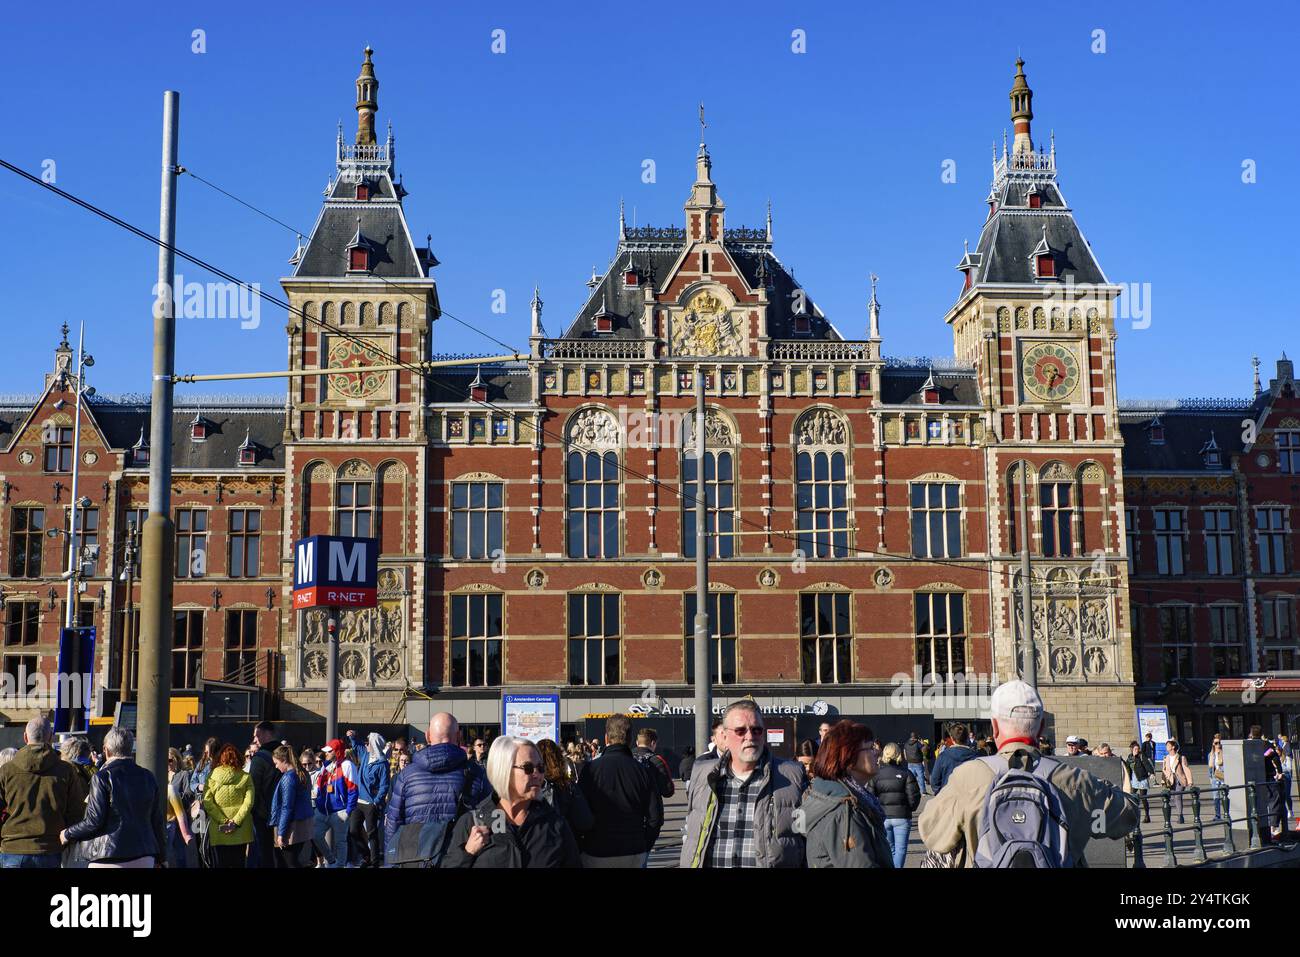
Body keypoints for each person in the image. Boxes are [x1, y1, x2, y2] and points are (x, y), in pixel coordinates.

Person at [918, 680, 1137, 867]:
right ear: (1041, 728)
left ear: (994, 728)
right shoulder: (1075, 780)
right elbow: (1127, 817)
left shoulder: (967, 777)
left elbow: (931, 832)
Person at [681, 700, 807, 868]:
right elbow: (692, 834)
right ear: (724, 737)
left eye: (756, 730)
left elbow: (809, 840)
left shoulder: (792, 776)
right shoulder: (703, 773)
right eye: (740, 731)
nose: (750, 736)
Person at [443, 736, 581, 868]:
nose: (537, 774)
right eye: (528, 768)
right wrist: (467, 853)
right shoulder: (472, 824)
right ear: (504, 771)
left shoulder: (555, 825)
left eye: (541, 768)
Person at [384, 712, 491, 867]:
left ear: (427, 736)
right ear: (458, 736)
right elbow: (487, 824)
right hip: (461, 859)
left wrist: (390, 863)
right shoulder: (477, 774)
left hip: (415, 859)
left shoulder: (406, 775)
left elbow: (393, 822)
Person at [60, 727, 164, 868]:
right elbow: (156, 820)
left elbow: (94, 820)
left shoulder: (102, 777)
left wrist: (67, 833)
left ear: (106, 750)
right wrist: (162, 857)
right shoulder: (148, 777)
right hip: (144, 853)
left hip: (108, 854)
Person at [801, 721, 892, 868]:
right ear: (848, 758)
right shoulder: (844, 813)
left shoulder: (848, 800)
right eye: (870, 747)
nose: (877, 752)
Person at [0, 716, 87, 868]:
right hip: (50, 849)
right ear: (51, 737)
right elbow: (76, 812)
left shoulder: (7, 771)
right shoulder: (66, 771)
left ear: (25, 737)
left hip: (12, 848)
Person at [577, 715, 663, 867]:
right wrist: (644, 845)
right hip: (633, 850)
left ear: (606, 738)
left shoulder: (590, 771)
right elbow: (655, 817)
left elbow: (578, 814)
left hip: (597, 850)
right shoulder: (643, 771)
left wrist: (582, 845)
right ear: (630, 740)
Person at [868, 742, 922, 868]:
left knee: (890, 849)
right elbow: (914, 796)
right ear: (898, 754)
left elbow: (869, 796)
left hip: (883, 817)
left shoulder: (876, 774)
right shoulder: (906, 773)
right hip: (902, 816)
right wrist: (909, 808)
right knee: (901, 850)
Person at [203, 743, 255, 868]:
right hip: (241, 829)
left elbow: (207, 802)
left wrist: (223, 820)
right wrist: (235, 821)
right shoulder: (246, 777)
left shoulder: (212, 777)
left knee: (220, 863)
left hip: (219, 828)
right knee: (239, 863)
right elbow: (249, 802)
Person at [346, 729, 390, 867]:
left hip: (371, 803)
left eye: (368, 742)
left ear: (373, 745)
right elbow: (357, 746)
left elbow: (384, 785)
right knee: (353, 830)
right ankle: (366, 855)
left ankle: (375, 862)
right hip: (359, 801)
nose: (366, 744)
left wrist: (376, 802)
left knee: (372, 834)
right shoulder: (365, 755)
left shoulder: (383, 764)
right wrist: (353, 737)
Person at [314, 738, 358, 867]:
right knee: (315, 835)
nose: (326, 753)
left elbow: (353, 790)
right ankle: (331, 860)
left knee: (341, 842)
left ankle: (340, 865)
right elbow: (319, 786)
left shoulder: (347, 765)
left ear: (337, 751)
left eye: (329, 751)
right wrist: (318, 802)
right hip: (323, 811)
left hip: (340, 811)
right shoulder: (326, 765)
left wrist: (348, 811)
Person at [537, 739, 594, 837]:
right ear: (559, 758)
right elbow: (585, 822)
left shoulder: (532, 786)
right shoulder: (568, 786)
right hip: (567, 842)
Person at [270, 745, 314, 868]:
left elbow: (287, 807)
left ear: (284, 760)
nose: (276, 766)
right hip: (303, 823)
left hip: (292, 826)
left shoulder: (289, 777)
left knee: (288, 861)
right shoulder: (302, 773)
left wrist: (281, 833)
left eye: (276, 763)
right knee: (290, 860)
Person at [246, 720, 279, 868]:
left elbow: (252, 788)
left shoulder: (259, 758)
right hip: (284, 814)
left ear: (266, 734)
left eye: (257, 735)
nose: (254, 739)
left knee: (263, 855)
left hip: (263, 815)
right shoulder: (285, 753)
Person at [189, 737, 221, 868]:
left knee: (210, 840)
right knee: (199, 837)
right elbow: (192, 782)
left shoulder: (220, 765)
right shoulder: (202, 764)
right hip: (200, 805)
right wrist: (198, 786)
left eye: (209, 752)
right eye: (206, 752)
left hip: (214, 806)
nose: (207, 755)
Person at [1252, 726, 1287, 841]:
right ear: (1261, 734)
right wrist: (1280, 772)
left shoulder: (1249, 746)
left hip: (1254, 779)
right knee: (1274, 800)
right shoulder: (1266, 745)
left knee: (1256, 802)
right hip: (1269, 776)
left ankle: (1257, 827)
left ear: (1251, 734)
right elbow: (1276, 758)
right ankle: (1273, 827)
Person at [930, 722, 979, 795]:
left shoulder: (943, 756)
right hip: (970, 799)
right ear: (967, 738)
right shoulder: (976, 757)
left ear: (952, 739)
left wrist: (942, 794)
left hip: (948, 798)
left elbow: (934, 782)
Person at [165, 747, 194, 867]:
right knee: (165, 854)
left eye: (170, 760)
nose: (167, 763)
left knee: (179, 853)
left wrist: (175, 796)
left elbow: (188, 794)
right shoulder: (162, 774)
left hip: (179, 820)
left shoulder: (183, 774)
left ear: (176, 760)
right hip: (166, 818)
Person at [632, 727, 675, 798]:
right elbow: (668, 791)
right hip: (650, 806)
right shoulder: (657, 760)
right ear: (653, 743)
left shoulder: (626, 757)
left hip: (628, 806)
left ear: (637, 742)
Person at [1161, 739, 1192, 825]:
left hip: (1179, 779)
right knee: (1173, 797)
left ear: (1173, 746)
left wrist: (1190, 782)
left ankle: (1180, 816)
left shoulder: (1181, 757)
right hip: (1170, 780)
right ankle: (1175, 815)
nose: (1166, 747)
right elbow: (1164, 770)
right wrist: (1163, 781)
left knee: (1178, 796)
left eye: (1168, 745)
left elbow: (1186, 769)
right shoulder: (1166, 758)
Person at [1124, 740, 1155, 824]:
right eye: (1135, 749)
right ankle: (1132, 815)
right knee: (1131, 796)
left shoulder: (1141, 756)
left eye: (1137, 749)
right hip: (1134, 779)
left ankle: (1147, 816)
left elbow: (1146, 764)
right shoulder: (1130, 757)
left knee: (1143, 798)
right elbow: (1127, 767)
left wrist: (1151, 772)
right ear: (1132, 749)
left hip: (1142, 778)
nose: (1136, 750)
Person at [1207, 739, 1226, 822]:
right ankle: (1217, 815)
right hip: (1215, 777)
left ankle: (1226, 813)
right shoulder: (1210, 755)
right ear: (1213, 744)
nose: (1218, 744)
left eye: (1219, 743)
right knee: (1216, 797)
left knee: (1225, 796)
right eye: (1216, 743)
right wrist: (1210, 778)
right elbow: (1210, 768)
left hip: (1223, 776)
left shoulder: (1224, 753)